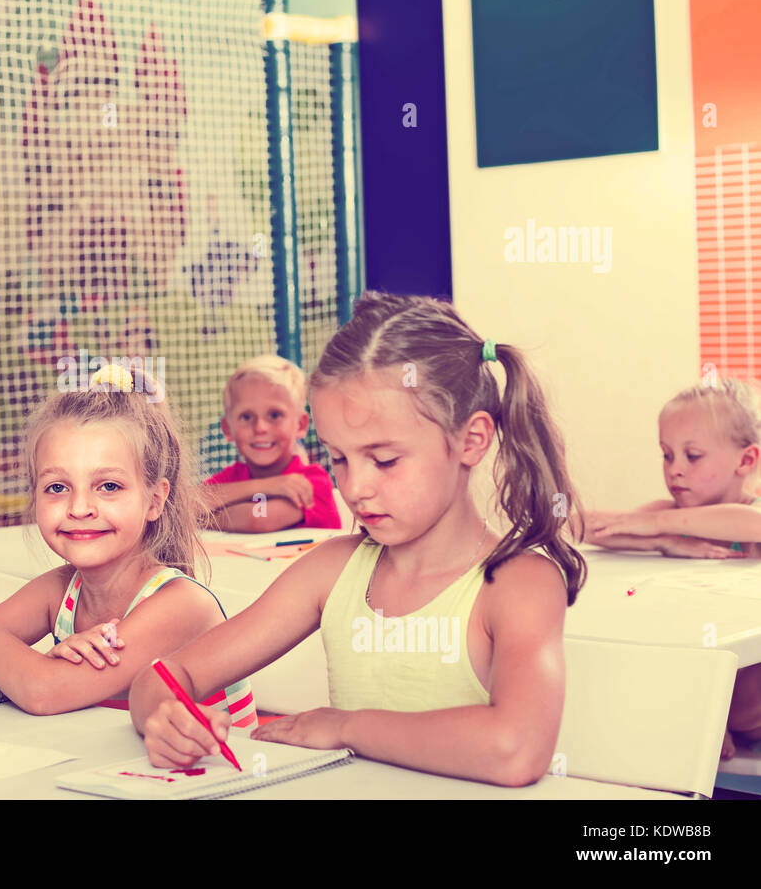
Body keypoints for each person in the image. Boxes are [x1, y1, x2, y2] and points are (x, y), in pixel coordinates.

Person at [129, 291, 586, 786]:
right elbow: (162, 678)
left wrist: (346, 727)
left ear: (471, 440)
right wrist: (167, 719)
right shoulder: (332, 570)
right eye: (339, 458)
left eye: (384, 460)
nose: (355, 487)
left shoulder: (520, 583)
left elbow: (514, 750)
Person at [0, 364, 256, 723]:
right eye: (57, 488)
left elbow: (44, 693)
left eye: (108, 486)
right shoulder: (60, 589)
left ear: (154, 501)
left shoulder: (182, 605)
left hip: (210, 777)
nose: (79, 508)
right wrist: (39, 669)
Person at [587, 379, 761, 757]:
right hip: (708, 683)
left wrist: (658, 524)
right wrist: (661, 540)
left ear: (745, 461)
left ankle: (718, 721)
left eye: (692, 456)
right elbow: (581, 524)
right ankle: (709, 721)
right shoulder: (669, 518)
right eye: (667, 455)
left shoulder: (745, 515)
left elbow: (751, 523)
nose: (674, 470)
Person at [203, 354, 342, 532]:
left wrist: (203, 516)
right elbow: (185, 504)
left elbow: (258, 518)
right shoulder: (234, 475)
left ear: (300, 425)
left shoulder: (313, 482)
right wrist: (267, 486)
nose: (260, 428)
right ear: (227, 429)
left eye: (275, 415)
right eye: (246, 417)